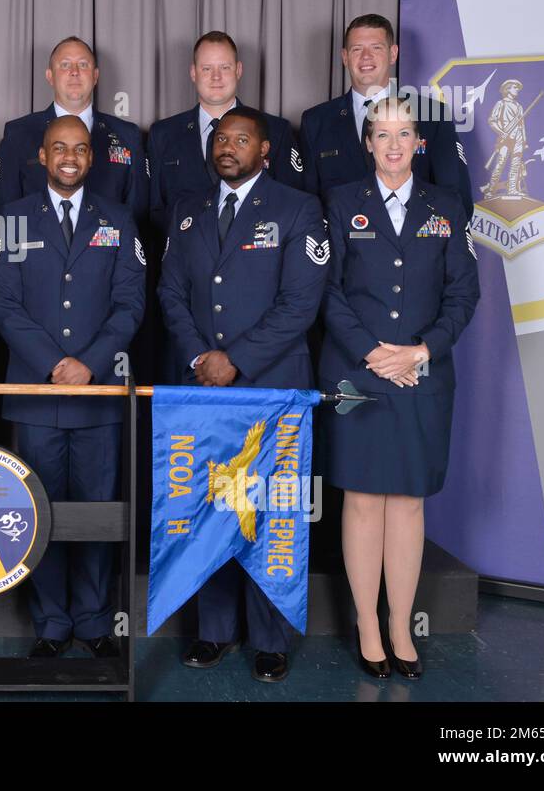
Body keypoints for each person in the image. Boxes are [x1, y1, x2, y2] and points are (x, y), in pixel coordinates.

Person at [158, 108, 329, 683]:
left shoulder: (297, 209)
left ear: (265, 151)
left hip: (271, 389)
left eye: (241, 139)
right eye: (221, 138)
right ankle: (213, 631)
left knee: (268, 511)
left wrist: (238, 360)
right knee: (210, 508)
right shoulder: (189, 210)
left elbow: (300, 304)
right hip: (203, 389)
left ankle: (270, 637)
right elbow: (171, 294)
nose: (227, 146)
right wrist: (201, 358)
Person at [318, 96, 479, 680]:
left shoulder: (446, 206)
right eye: (381, 133)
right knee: (362, 500)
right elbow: (327, 291)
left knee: (407, 501)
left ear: (418, 142)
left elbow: (465, 293)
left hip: (421, 372)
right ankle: (366, 624)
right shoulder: (340, 203)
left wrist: (420, 351)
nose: (392, 144)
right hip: (357, 374)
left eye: (403, 133)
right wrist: (373, 352)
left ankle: (399, 624)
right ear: (367, 142)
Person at [0, 115, 145, 658]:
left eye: (79, 148)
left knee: (98, 511)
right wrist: (55, 362)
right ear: (41, 155)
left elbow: (131, 304)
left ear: (91, 157)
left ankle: (95, 619)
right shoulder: (10, 219)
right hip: (35, 396)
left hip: (98, 397)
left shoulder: (120, 220)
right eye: (59, 147)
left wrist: (91, 364)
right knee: (40, 512)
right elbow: (4, 305)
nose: (69, 156)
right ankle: (52, 622)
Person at [298, 14, 473, 218]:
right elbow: (307, 203)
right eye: (357, 49)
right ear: (345, 57)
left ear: (393, 53)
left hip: (413, 245)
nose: (366, 56)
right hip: (342, 246)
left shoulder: (432, 115)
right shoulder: (316, 121)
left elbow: (455, 198)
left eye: (376, 48)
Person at [148, 31, 305, 232]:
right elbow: (154, 212)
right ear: (193, 73)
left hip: (257, 256)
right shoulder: (163, 134)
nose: (216, 77)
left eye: (225, 67)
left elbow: (293, 204)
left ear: (238, 70)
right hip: (185, 256)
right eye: (207, 68)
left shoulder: (276, 130)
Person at [0, 36, 148, 221]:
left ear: (95, 76)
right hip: (36, 247)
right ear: (50, 76)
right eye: (65, 65)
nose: (74, 72)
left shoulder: (127, 136)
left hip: (109, 247)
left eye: (83, 65)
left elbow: (138, 216)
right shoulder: (18, 134)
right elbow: (5, 211)